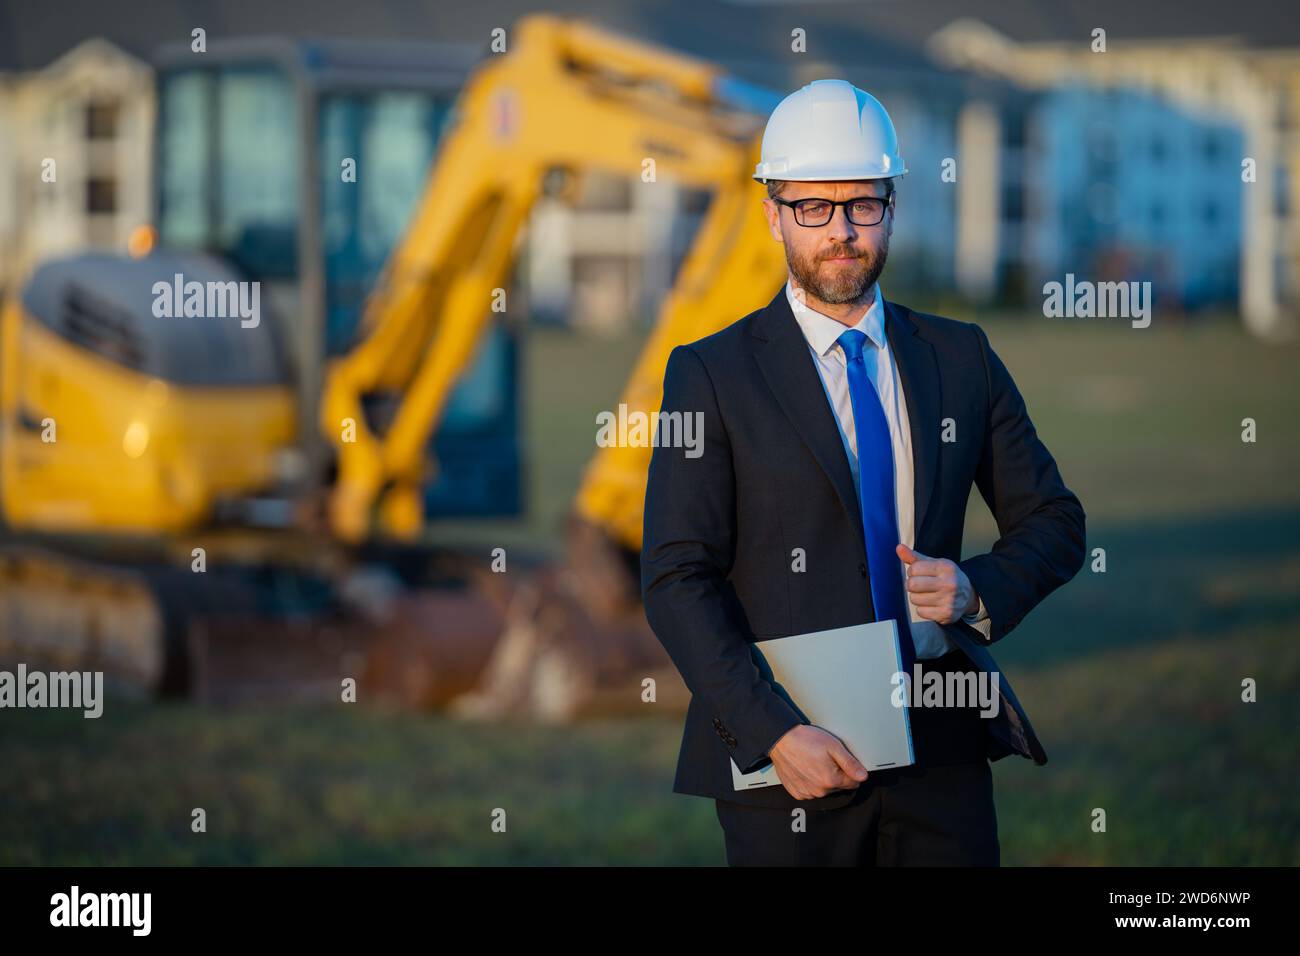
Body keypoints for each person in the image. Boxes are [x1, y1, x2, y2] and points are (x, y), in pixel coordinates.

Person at [640, 79, 1086, 866]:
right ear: (774, 212)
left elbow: (1055, 521)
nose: (841, 230)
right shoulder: (710, 375)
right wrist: (774, 732)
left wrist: (976, 589)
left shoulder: (961, 357)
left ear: (892, 204)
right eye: (815, 206)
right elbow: (677, 576)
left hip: (941, 752)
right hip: (788, 769)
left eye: (862, 205)